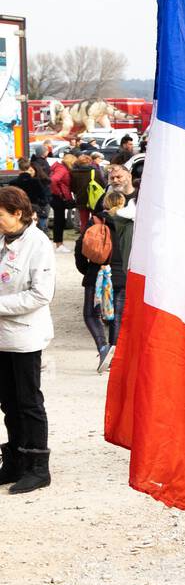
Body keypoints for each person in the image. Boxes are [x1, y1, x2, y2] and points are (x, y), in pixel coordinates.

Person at [0, 186, 56, 494]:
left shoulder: (38, 244)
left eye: (0, 215)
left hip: (24, 336)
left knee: (28, 402)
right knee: (7, 402)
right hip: (1, 338)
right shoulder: (3, 241)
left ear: (17, 213)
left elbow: (40, 294)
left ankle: (38, 466)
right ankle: (14, 461)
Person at [73, 190, 133, 373]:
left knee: (91, 314)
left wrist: (87, 269)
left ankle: (103, 347)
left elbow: (80, 246)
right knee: (117, 317)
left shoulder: (95, 220)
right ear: (123, 203)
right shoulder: (131, 223)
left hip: (97, 273)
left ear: (105, 204)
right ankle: (114, 355)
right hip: (121, 275)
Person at [49, 153, 76, 252]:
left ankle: (59, 244)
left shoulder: (59, 167)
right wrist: (59, 193)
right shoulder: (62, 169)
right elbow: (53, 180)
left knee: (59, 221)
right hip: (58, 198)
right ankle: (59, 244)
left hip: (56, 197)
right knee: (59, 221)